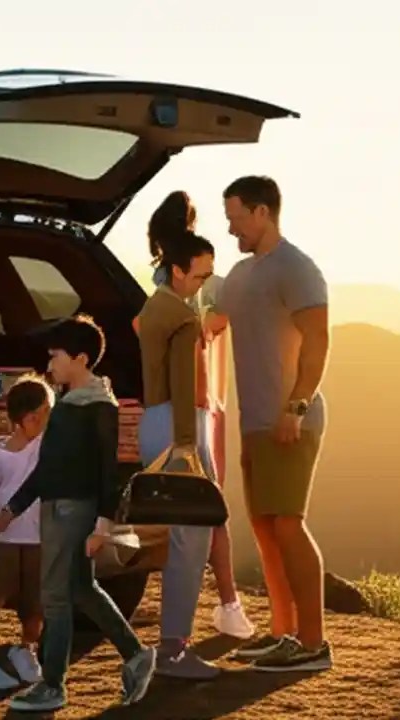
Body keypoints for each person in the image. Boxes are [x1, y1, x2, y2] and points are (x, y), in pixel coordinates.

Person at [0, 314, 157, 712]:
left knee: (55, 596)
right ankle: (136, 656)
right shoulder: (67, 404)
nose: (50, 365)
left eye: (56, 356)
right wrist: (12, 508)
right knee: (81, 589)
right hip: (56, 507)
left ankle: (52, 685)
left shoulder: (99, 406)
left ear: (80, 359)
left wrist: (102, 525)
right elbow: (47, 468)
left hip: (72, 511)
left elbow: (107, 471)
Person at [216, 175, 333, 672]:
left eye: (237, 218)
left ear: (263, 212)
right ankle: (283, 633)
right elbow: (210, 318)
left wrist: (296, 407)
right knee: (265, 529)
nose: (231, 229)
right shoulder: (241, 274)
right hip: (255, 423)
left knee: (288, 524)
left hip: (291, 420)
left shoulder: (297, 268)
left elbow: (318, 341)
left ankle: (313, 645)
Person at [143, 191, 255, 641]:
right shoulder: (196, 284)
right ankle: (217, 610)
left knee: (193, 518)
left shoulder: (168, 283)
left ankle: (215, 611)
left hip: (175, 408)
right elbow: (226, 310)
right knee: (205, 512)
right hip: (194, 406)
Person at [134, 226, 233, 680]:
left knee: (179, 539)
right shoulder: (183, 318)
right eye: (199, 276)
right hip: (180, 427)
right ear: (176, 270)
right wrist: (188, 447)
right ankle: (174, 649)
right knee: (192, 541)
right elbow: (183, 385)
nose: (204, 284)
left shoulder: (153, 308)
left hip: (154, 421)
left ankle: (172, 646)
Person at [0, 374, 53, 689]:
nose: (46, 421)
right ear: (27, 418)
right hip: (8, 541)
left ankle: (26, 649)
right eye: (43, 414)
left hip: (39, 541)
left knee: (35, 604)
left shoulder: (46, 447)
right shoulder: (0, 452)